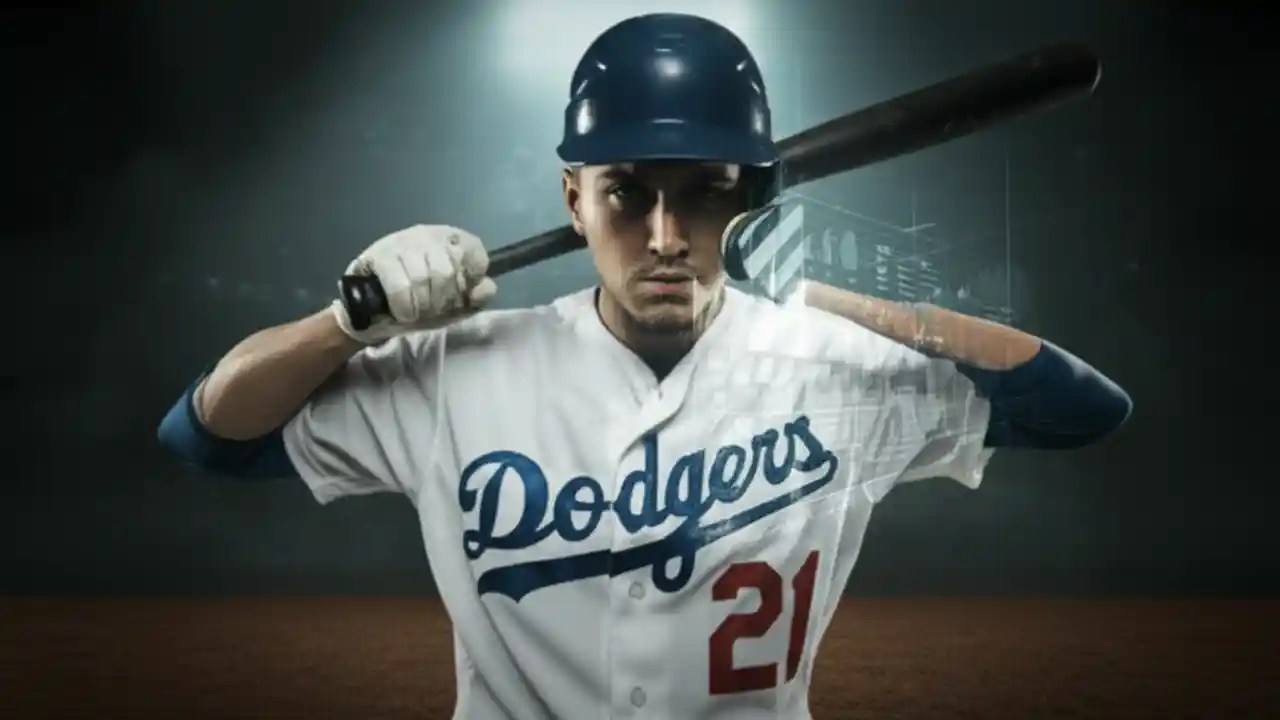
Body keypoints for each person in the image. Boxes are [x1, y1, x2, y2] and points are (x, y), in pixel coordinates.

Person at [157, 13, 1131, 720]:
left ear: (750, 198)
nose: (665, 236)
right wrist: (346, 319)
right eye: (626, 193)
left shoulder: (834, 362)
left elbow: (1077, 408)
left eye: (703, 193)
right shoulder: (457, 367)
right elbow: (210, 435)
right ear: (572, 196)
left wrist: (825, 292)